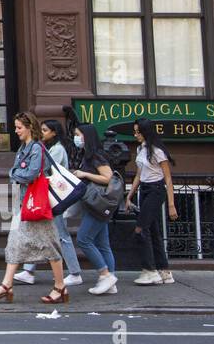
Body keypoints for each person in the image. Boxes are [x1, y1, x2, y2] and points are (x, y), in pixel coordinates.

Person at [0, 112, 69, 305]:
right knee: (15, 243)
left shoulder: (37, 149)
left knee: (50, 246)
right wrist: (16, 172)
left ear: (30, 127)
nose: (16, 131)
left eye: (18, 127)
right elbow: (16, 172)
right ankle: (7, 285)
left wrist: (16, 173)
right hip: (26, 203)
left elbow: (29, 174)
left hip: (38, 204)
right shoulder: (24, 148)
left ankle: (60, 286)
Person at [14, 119, 83, 287]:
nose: (42, 133)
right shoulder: (48, 148)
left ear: (54, 132)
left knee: (62, 235)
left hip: (52, 198)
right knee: (39, 233)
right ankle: (29, 271)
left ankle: (75, 272)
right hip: (46, 197)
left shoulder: (57, 150)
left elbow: (43, 170)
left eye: (45, 130)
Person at [125, 118, 177, 285]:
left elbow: (168, 179)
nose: (135, 135)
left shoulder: (157, 151)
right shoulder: (141, 149)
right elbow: (139, 175)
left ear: (146, 132)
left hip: (156, 190)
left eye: (138, 132)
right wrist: (129, 195)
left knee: (141, 229)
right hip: (145, 190)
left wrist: (171, 205)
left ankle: (150, 271)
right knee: (153, 231)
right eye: (134, 132)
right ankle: (164, 271)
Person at [71, 122, 119, 295]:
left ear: (86, 136)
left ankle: (105, 275)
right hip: (94, 203)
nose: (76, 138)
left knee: (84, 239)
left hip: (98, 204)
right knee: (103, 244)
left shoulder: (96, 156)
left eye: (78, 134)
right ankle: (110, 283)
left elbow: (108, 178)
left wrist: (84, 174)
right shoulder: (88, 155)